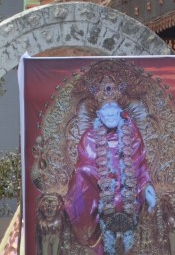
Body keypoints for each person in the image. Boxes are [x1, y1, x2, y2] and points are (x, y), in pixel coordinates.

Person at [65, 97, 158, 255]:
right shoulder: (89, 137)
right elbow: (83, 169)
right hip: (99, 201)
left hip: (129, 202)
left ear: (122, 114)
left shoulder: (133, 135)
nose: (110, 118)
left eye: (114, 114)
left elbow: (141, 167)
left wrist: (147, 187)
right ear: (99, 115)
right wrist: (90, 175)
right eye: (106, 115)